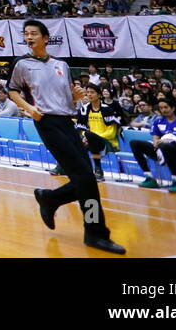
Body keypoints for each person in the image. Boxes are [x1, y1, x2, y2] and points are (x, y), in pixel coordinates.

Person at [9, 19, 125, 254]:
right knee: (85, 177)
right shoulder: (21, 64)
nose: (29, 37)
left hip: (68, 122)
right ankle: (95, 233)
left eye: (33, 33)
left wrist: (76, 96)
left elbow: (68, 99)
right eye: (26, 34)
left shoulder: (62, 64)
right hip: (47, 123)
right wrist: (29, 109)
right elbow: (12, 90)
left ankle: (51, 199)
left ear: (45, 38)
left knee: (87, 179)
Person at [130, 98, 176, 192]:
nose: (163, 110)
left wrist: (170, 142)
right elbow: (155, 139)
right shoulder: (158, 122)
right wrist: (157, 143)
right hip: (160, 150)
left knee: (165, 146)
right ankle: (149, 178)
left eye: (166, 107)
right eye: (161, 108)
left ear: (173, 108)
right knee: (134, 143)